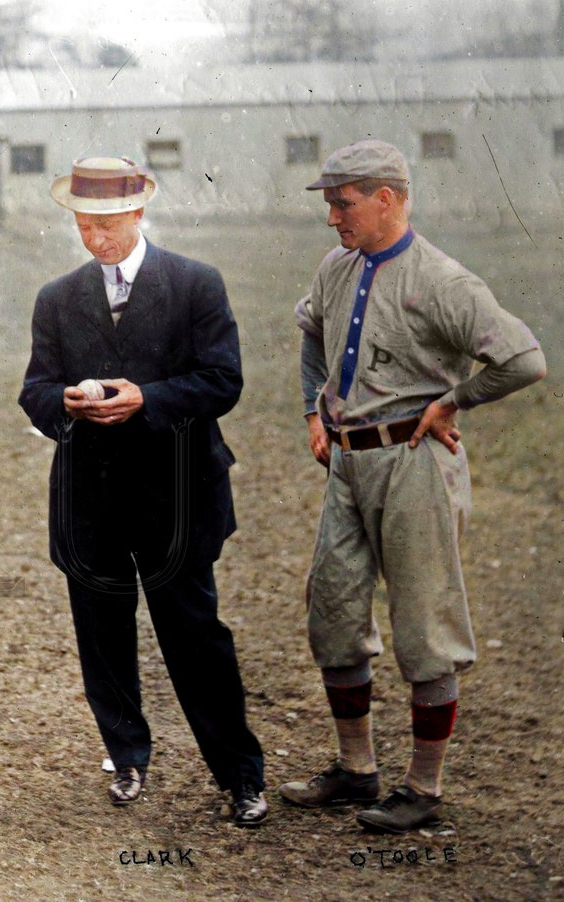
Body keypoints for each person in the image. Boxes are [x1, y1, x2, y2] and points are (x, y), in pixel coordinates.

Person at [282, 139, 546, 834]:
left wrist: (454, 400)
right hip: (347, 462)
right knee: (333, 614)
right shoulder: (338, 268)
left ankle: (423, 787)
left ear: (386, 199)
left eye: (343, 203)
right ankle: (356, 769)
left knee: (426, 627)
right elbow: (311, 331)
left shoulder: (444, 280)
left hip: (416, 460)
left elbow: (523, 360)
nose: (333, 218)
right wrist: (315, 409)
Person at [18, 156, 268, 827]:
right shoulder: (58, 298)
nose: (95, 236)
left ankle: (239, 773)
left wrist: (146, 399)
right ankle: (126, 756)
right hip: (89, 499)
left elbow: (224, 381)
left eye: (107, 222)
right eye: (83, 223)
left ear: (138, 212)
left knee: (194, 636)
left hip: (177, 494)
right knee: (102, 635)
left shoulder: (193, 284)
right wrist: (64, 403)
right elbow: (34, 389)